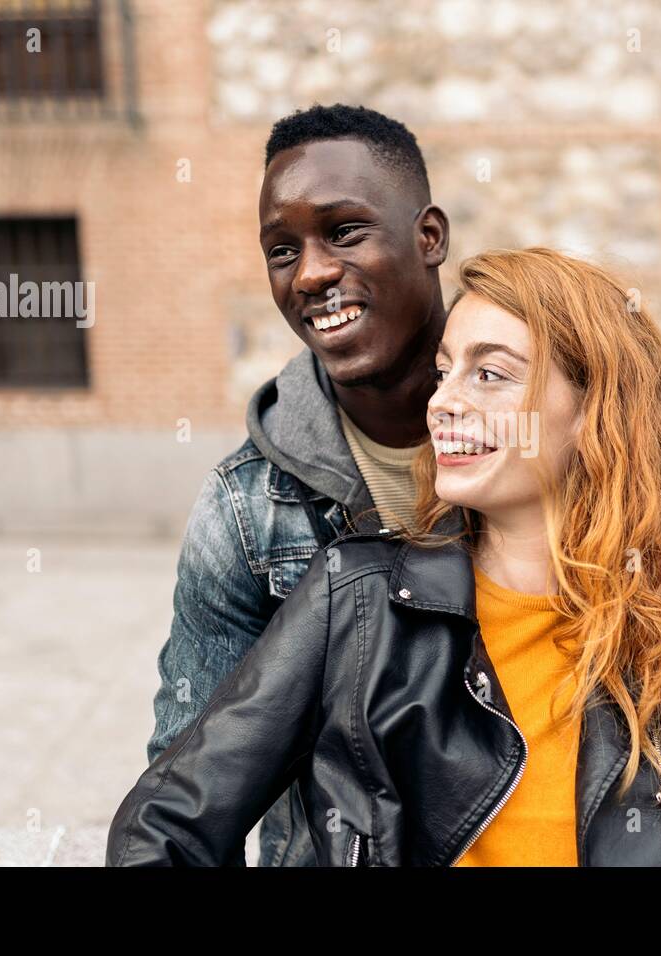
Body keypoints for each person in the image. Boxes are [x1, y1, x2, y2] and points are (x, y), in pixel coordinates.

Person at [109, 248, 661, 866]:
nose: (443, 401)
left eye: (491, 375)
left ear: (594, 412)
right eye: (446, 370)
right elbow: (164, 828)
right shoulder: (356, 603)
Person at [146, 103, 449, 866]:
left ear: (429, 236)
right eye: (283, 250)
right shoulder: (245, 510)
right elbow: (184, 788)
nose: (311, 274)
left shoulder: (544, 445)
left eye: (344, 232)